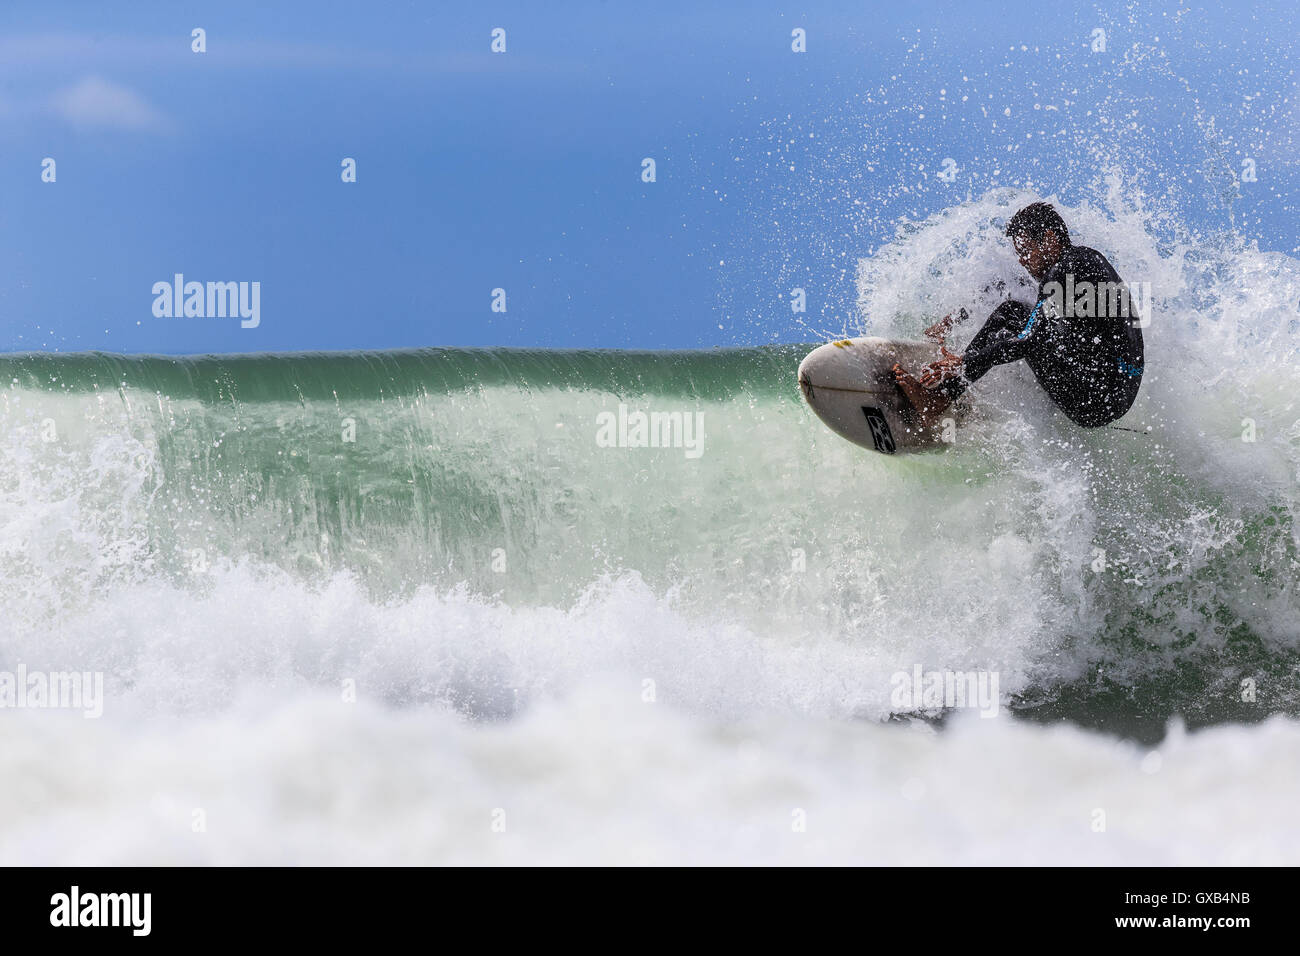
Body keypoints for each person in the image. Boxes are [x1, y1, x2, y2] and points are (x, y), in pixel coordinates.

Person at [892, 203, 1145, 428]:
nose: (1023, 260)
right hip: (1114, 393)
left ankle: (941, 398)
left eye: (1025, 251)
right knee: (1019, 313)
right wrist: (956, 318)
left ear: (1048, 239)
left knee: (1010, 316)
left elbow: (1029, 341)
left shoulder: (1061, 271)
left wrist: (965, 361)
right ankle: (965, 390)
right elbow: (1008, 283)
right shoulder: (1086, 261)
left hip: (1093, 398)